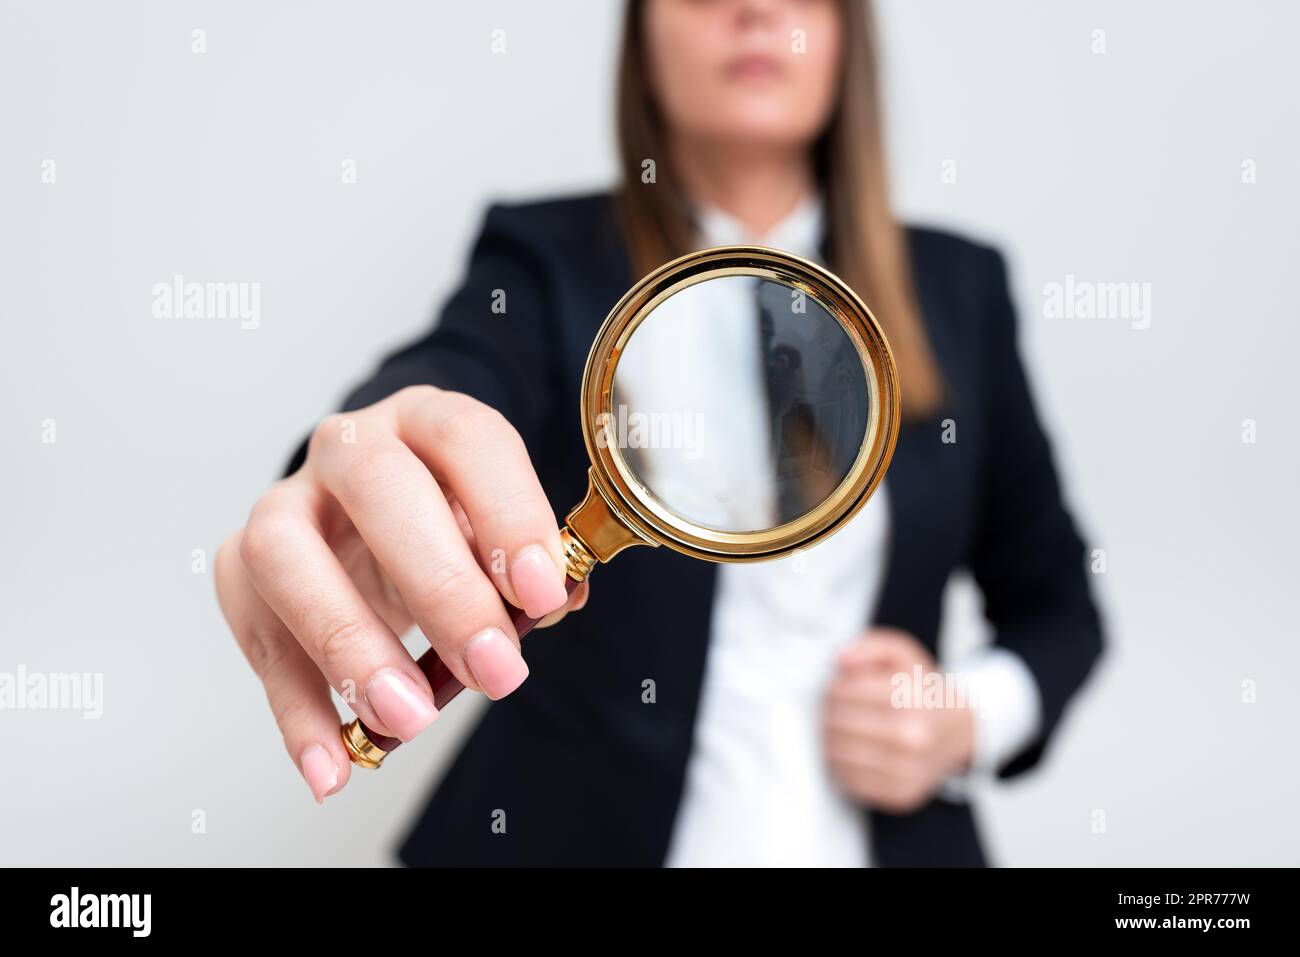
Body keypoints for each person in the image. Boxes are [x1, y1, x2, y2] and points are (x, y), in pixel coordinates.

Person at [215, 0, 1104, 866]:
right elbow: (448, 376)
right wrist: (363, 462)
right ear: (642, 33)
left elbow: (1061, 603)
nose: (756, 9)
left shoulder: (962, 289)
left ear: (847, 37)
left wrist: (965, 717)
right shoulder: (540, 256)